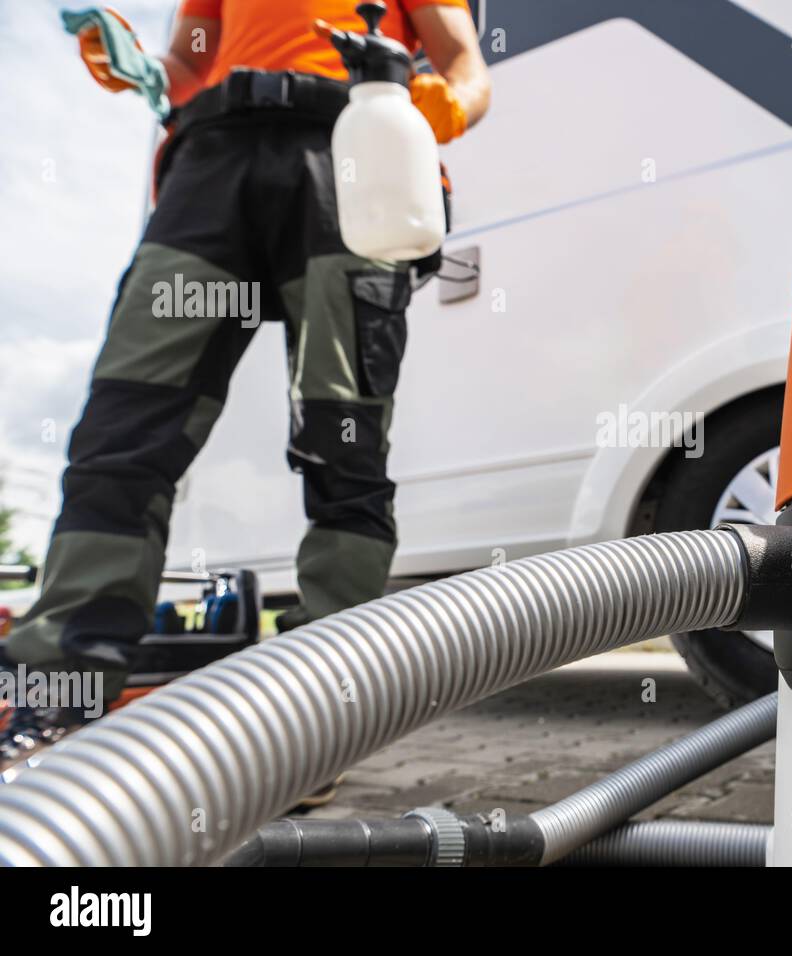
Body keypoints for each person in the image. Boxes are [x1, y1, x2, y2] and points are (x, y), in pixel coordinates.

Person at [0, 0, 490, 764]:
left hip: (350, 152)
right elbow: (192, 65)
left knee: (344, 430)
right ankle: (59, 689)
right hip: (210, 160)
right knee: (127, 419)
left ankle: (328, 708)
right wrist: (135, 63)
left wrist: (438, 104)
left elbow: (465, 68)